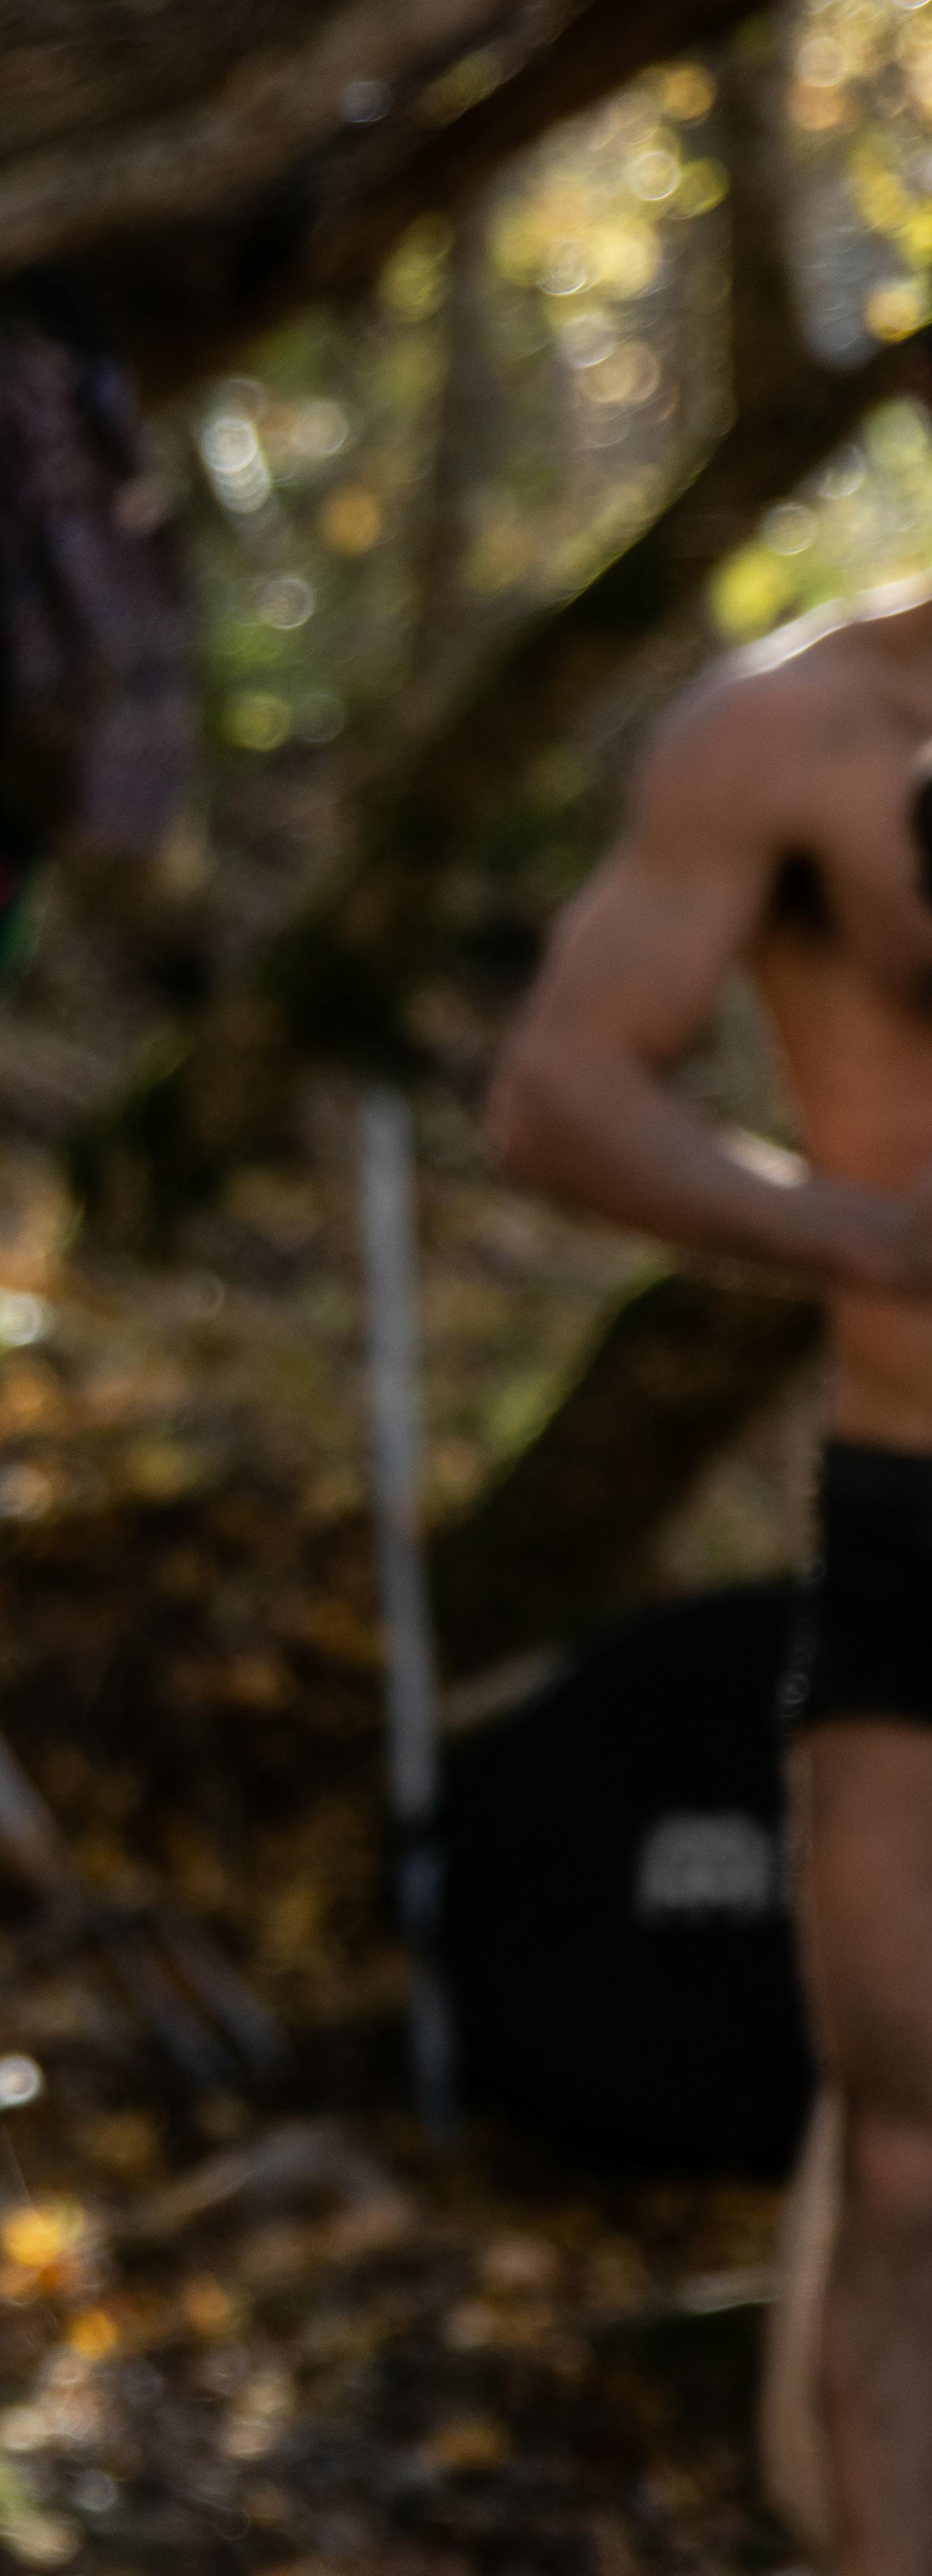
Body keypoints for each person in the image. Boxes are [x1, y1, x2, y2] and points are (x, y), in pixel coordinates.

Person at [488, 583, 932, 2571]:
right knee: (914, 2149)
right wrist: (855, 1229)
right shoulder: (804, 734)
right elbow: (562, 1086)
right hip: (919, 1495)